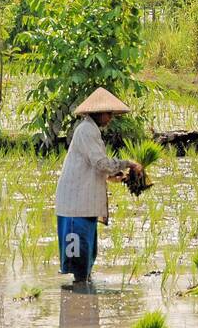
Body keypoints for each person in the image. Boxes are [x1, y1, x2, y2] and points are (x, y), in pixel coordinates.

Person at [53, 88, 144, 292]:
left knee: (87, 257)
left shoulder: (92, 131)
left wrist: (118, 177)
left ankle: (83, 299)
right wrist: (129, 163)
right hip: (76, 205)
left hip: (84, 205)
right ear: (99, 112)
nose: (111, 117)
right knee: (79, 262)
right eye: (108, 113)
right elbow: (101, 163)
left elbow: (98, 168)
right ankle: (78, 302)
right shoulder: (86, 130)